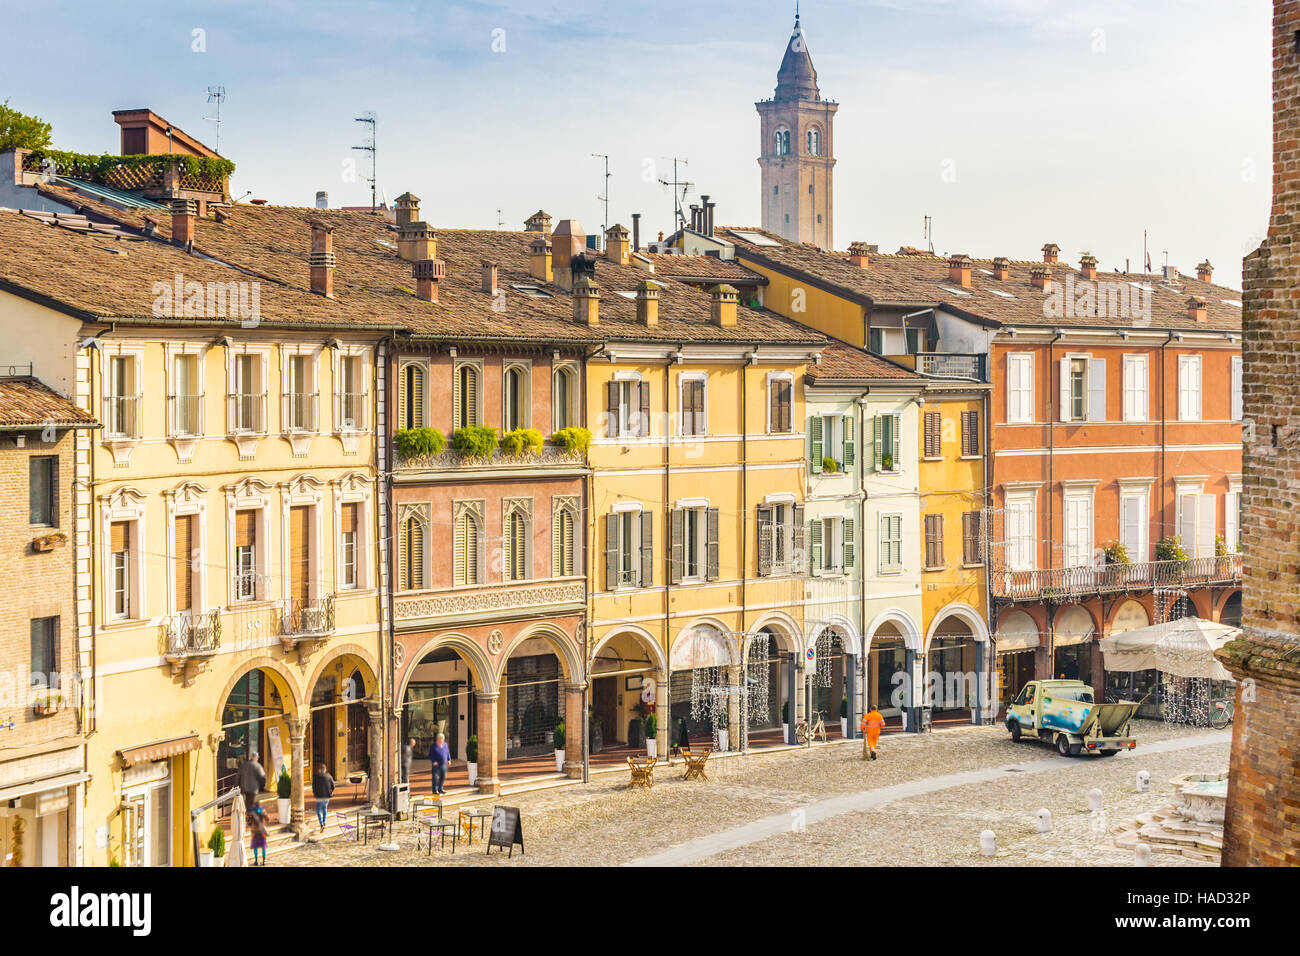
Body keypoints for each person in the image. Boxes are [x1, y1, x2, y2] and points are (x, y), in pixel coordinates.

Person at [311, 762, 335, 830]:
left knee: (318, 810)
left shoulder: (316, 777)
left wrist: (315, 793)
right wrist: (330, 792)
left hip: (319, 796)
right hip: (327, 796)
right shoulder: (329, 776)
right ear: (325, 770)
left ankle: (321, 823)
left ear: (319, 770)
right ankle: (324, 821)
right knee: (324, 809)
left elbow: (313, 786)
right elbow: (333, 786)